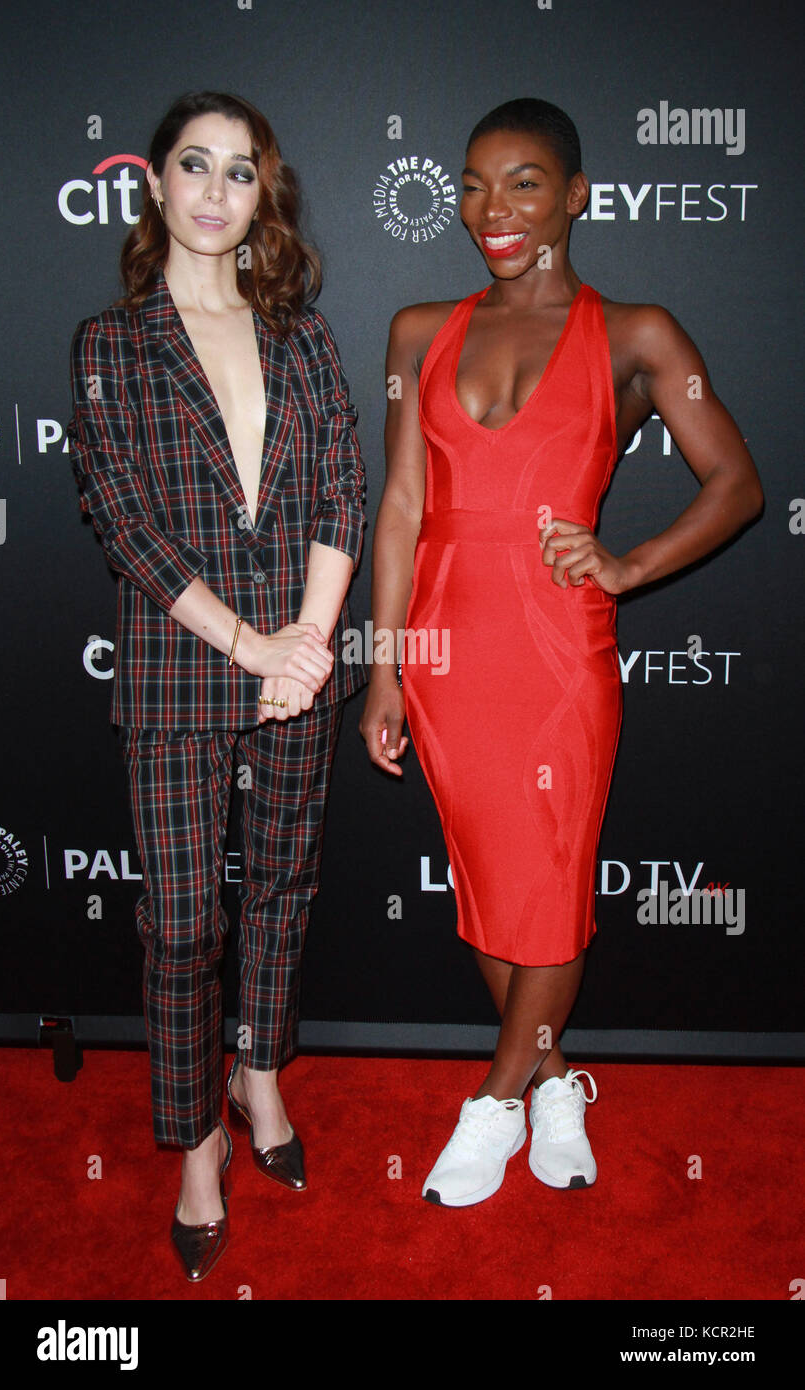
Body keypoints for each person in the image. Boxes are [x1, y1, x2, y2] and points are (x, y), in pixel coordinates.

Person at [360, 97, 762, 1208]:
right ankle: (551, 1082)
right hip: (442, 647)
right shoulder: (412, 331)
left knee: (548, 883)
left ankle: (488, 1101)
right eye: (474, 183)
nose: (493, 209)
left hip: (553, 649)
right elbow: (398, 507)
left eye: (523, 182)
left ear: (575, 195)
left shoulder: (636, 333)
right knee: (495, 886)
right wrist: (385, 663)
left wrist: (627, 565)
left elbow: (737, 484)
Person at [67, 90, 366, 1277]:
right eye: (193, 164)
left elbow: (343, 488)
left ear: (262, 196)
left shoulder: (303, 334)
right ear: (155, 182)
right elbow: (123, 523)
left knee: (283, 889)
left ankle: (258, 1075)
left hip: (300, 662)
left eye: (239, 172)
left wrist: (310, 639)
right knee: (182, 924)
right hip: (184, 668)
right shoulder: (109, 344)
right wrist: (255, 647)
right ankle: (196, 1145)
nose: (212, 190)